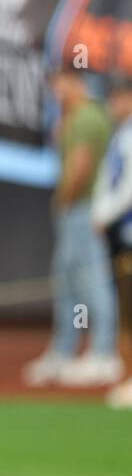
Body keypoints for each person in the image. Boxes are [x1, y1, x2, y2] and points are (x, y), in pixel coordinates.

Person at [23, 68, 122, 388]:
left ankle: (103, 353)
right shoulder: (78, 115)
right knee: (67, 280)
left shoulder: (86, 117)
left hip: (80, 208)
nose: (56, 91)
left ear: (75, 81)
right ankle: (64, 351)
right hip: (78, 209)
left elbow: (80, 166)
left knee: (92, 281)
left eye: (60, 83)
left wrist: (63, 201)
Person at [92, 77, 132, 408]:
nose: (113, 105)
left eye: (120, 98)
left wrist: (102, 214)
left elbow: (128, 189)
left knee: (129, 308)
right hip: (121, 234)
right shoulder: (120, 134)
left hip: (128, 233)